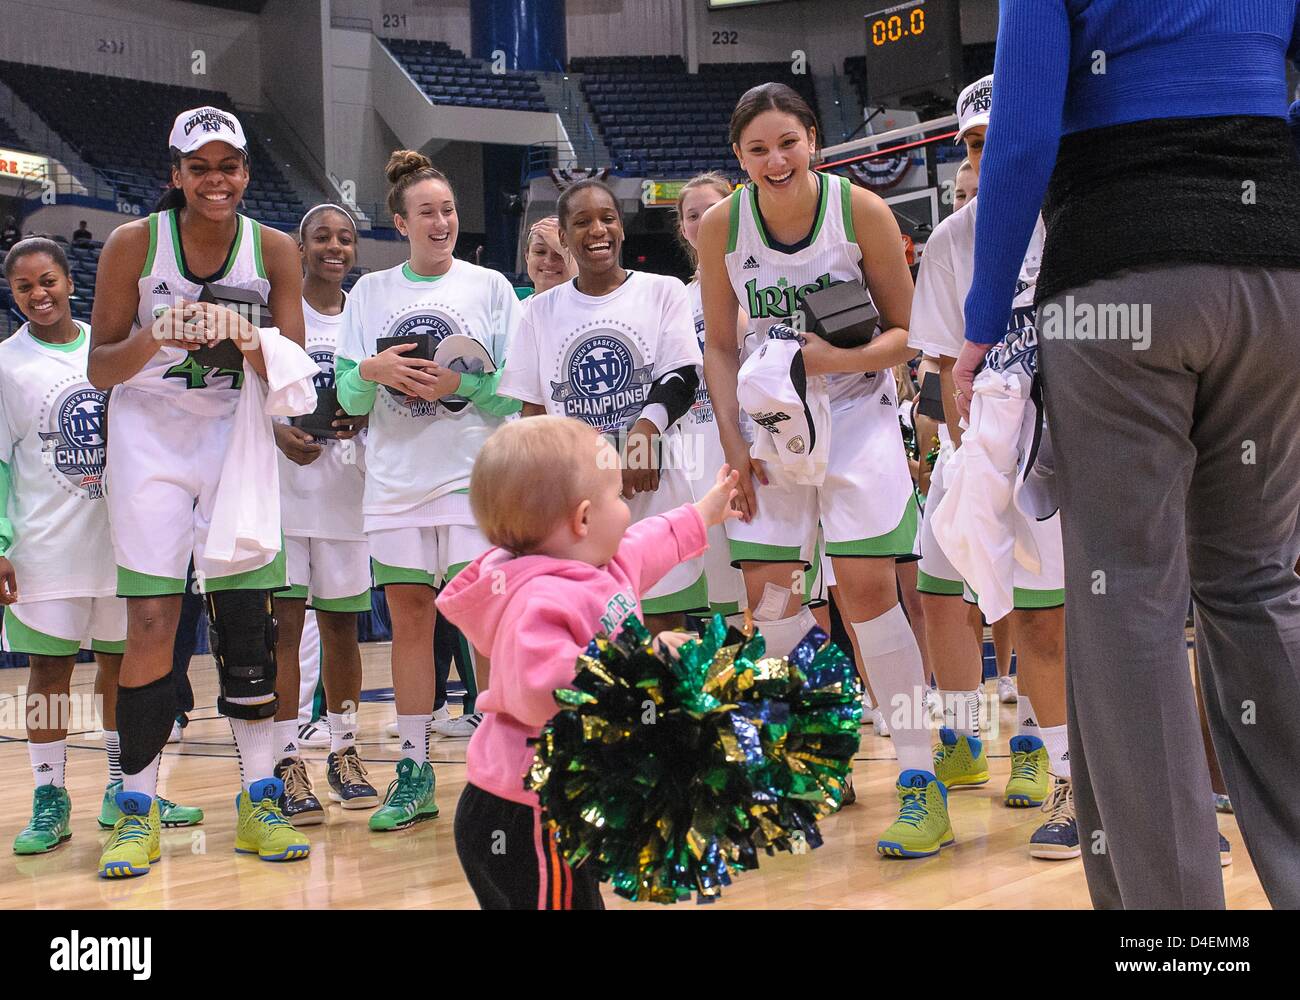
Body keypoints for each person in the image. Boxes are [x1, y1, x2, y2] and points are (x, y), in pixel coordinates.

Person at [954, 2, 1300, 908]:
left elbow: (1021, 138)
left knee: (1129, 600)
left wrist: (986, 319)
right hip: (1277, 276)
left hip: (1119, 282)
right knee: (1260, 586)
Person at [696, 83, 934, 857]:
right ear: (738, 157)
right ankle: (814, 756)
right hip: (769, 424)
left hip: (857, 414)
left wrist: (834, 358)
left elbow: (909, 334)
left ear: (813, 142)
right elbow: (723, 347)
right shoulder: (720, 227)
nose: (774, 159)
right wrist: (734, 443)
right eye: (758, 148)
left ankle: (919, 784)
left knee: (867, 596)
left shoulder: (860, 210)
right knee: (772, 607)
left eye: (787, 143)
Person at [87, 105, 314, 877]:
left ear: (247, 173)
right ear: (175, 175)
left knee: (248, 624)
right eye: (200, 167)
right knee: (151, 622)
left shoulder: (275, 250)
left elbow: (292, 378)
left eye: (230, 166)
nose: (216, 180)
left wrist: (248, 337)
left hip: (235, 438)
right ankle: (137, 809)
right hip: (149, 438)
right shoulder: (132, 246)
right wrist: (160, 334)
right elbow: (100, 369)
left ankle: (259, 801)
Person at [436, 415, 740, 909]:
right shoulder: (537, 599)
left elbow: (652, 540)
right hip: (524, 813)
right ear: (582, 519)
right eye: (619, 497)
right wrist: (646, 660)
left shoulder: (604, 564)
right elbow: (544, 689)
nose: (628, 510)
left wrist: (705, 511)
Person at [909, 76, 1076, 860]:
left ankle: (1061, 766)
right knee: (943, 600)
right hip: (976, 447)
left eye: (997, 140)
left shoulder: (1077, 220)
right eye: (973, 144)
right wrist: (963, 457)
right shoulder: (951, 241)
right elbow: (943, 364)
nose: (985, 157)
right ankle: (967, 740)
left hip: (1056, 453)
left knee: (1043, 622)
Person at [335, 149, 522, 831]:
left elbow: (515, 394)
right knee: (411, 620)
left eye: (447, 210)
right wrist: (374, 371)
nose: (441, 221)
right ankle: (412, 772)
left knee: (486, 623)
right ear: (400, 221)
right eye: (427, 213)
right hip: (394, 480)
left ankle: (503, 764)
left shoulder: (491, 287)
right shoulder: (370, 293)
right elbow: (347, 397)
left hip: (475, 480)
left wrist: (463, 385)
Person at [2, 239, 200, 855]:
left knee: (120, 670)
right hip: (44, 546)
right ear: (12, 295)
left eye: (49, 281)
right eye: (24, 287)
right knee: (48, 673)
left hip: (121, 541)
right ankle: (49, 796)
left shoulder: (110, 350)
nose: (39, 295)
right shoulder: (5, 364)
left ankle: (126, 789)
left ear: (70, 282)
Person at [498, 178, 707, 637]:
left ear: (622, 228)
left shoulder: (662, 291)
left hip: (654, 488)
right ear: (568, 239)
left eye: (608, 219)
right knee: (591, 633)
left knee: (663, 628)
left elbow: (681, 377)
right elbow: (532, 414)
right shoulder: (540, 311)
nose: (598, 231)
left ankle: (661, 713)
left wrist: (644, 434)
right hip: (578, 502)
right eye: (583, 222)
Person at [270, 203, 378, 823]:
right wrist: (278, 432)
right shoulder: (281, 314)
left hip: (346, 494)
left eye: (345, 237)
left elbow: (378, 393)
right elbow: (254, 397)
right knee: (285, 629)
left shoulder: (365, 316)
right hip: (284, 493)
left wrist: (365, 413)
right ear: (300, 245)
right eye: (322, 238)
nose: (334, 247)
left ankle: (344, 749)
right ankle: (287, 760)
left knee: (341, 630)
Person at [675, 172, 748, 619]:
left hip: (758, 448)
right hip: (700, 459)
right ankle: (731, 692)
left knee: (786, 595)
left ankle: (804, 691)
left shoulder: (760, 283)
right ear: (682, 228)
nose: (702, 223)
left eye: (712, 211)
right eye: (691, 215)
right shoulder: (675, 301)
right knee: (724, 606)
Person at [522, 216, 576, 298]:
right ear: (527, 257)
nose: (548, 261)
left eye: (559, 253)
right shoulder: (513, 305)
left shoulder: (592, 308)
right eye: (540, 252)